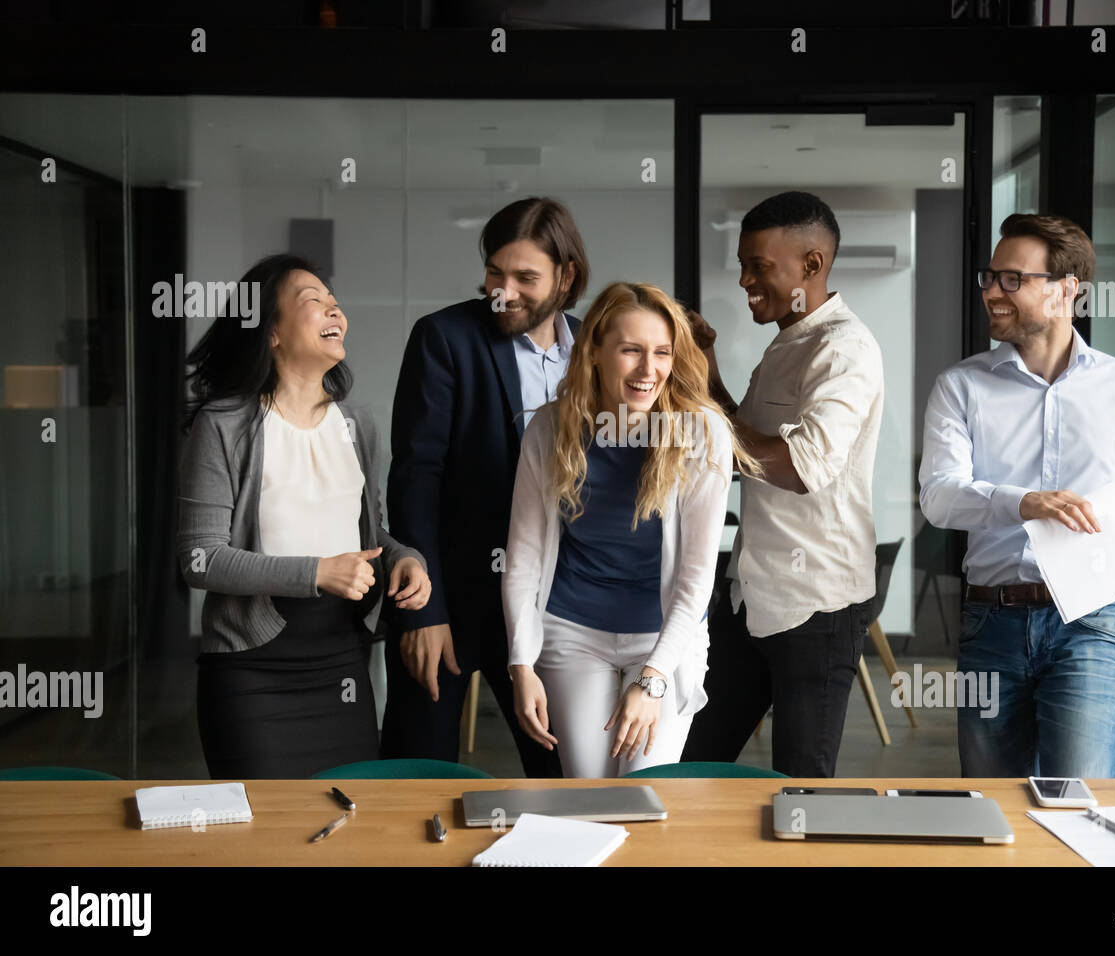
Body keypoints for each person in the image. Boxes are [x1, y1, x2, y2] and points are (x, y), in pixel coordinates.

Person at [918, 212, 1115, 778]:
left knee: (1080, 802)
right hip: (991, 622)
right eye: (990, 277)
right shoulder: (960, 387)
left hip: (1093, 620)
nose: (993, 291)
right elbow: (939, 497)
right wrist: (1023, 501)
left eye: (1013, 279)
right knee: (994, 808)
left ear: (1066, 291)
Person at [177, 253, 431, 779]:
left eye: (335, 303)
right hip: (251, 671)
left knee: (347, 828)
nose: (334, 311)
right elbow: (200, 559)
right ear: (271, 330)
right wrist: (316, 571)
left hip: (341, 661)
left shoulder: (356, 423)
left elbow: (367, 531)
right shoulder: (223, 425)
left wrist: (406, 558)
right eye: (314, 302)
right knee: (268, 839)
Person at [503, 282, 756, 777]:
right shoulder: (550, 429)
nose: (649, 370)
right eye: (631, 351)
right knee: (590, 790)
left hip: (663, 635)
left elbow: (696, 578)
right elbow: (523, 560)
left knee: (642, 790)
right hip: (571, 630)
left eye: (663, 352)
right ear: (594, 350)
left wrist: (655, 678)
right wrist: (521, 664)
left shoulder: (702, 432)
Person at [682, 190, 886, 777]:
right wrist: (706, 365)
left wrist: (708, 432)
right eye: (743, 264)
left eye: (759, 266)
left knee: (802, 787)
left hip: (815, 606)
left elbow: (801, 466)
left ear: (812, 265)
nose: (745, 280)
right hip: (751, 595)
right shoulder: (788, 341)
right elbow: (745, 439)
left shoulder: (843, 348)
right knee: (690, 763)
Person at [381, 197, 587, 777]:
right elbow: (417, 473)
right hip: (452, 595)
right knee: (415, 775)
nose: (504, 291)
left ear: (565, 277)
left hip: (554, 606)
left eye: (526, 277)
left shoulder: (596, 351)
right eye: (496, 272)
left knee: (559, 777)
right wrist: (424, 614)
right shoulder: (444, 337)